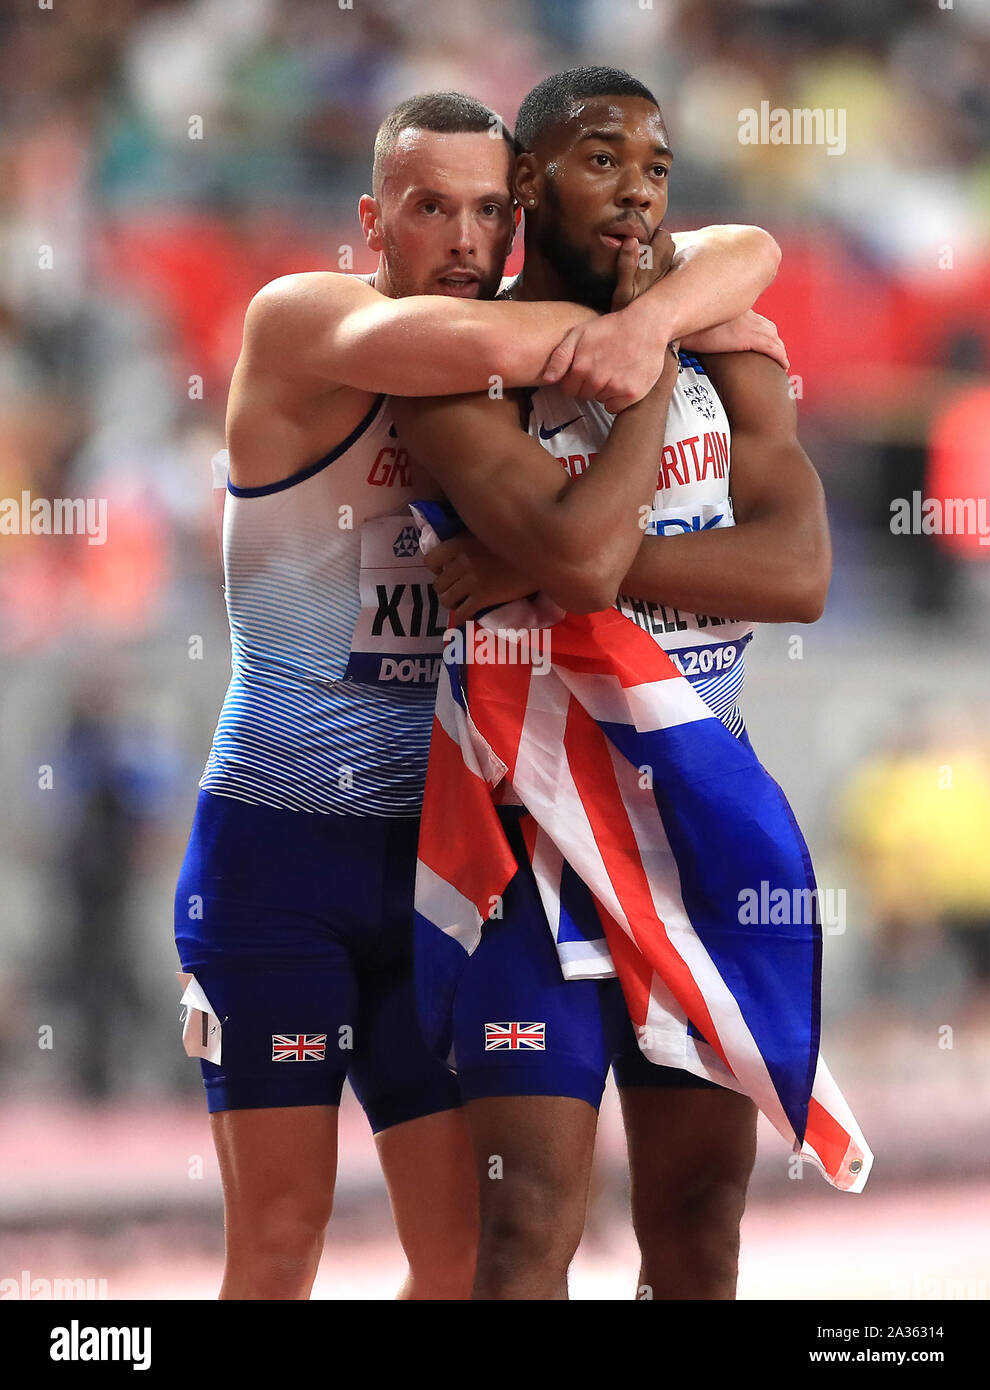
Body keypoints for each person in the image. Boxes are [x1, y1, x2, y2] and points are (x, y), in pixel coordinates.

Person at [174, 87, 783, 1301]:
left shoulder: (512, 354)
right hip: (278, 854)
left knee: (457, 1261)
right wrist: (657, 319)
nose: (461, 239)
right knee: (280, 1245)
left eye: (487, 210)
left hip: (447, 862)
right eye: (428, 208)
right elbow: (503, 338)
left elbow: (748, 248)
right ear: (371, 218)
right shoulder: (309, 319)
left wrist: (655, 306)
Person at [392, 66, 831, 1300]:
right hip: (527, 834)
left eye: (655, 166)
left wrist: (550, 554)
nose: (635, 191)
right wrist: (643, 361)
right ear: (526, 182)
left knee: (699, 1227)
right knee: (527, 1230)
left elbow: (795, 573)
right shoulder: (460, 368)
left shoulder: (724, 337)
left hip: (695, 823)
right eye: (599, 161)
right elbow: (581, 565)